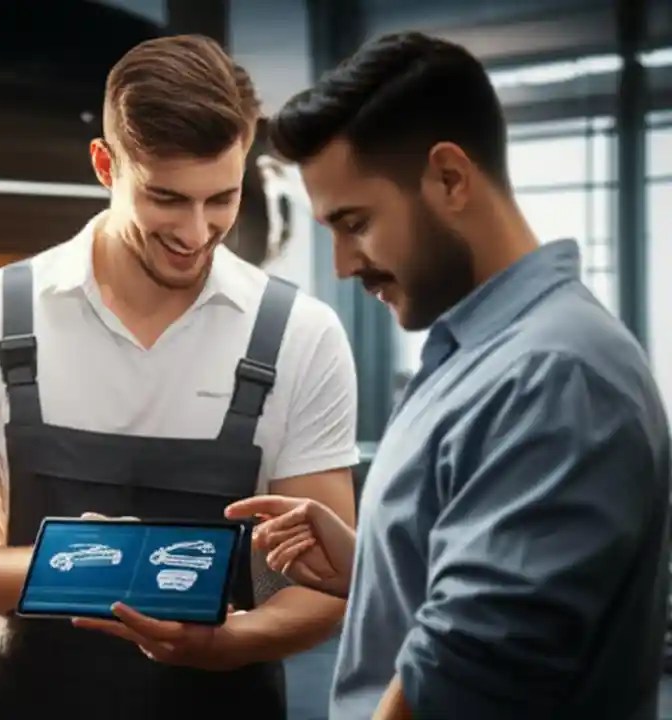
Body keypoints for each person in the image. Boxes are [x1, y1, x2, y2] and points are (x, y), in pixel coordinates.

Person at [0, 34, 361, 719]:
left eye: (220, 198)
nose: (196, 232)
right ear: (106, 165)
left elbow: (328, 582)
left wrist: (229, 642)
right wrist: (92, 564)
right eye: (166, 198)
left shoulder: (300, 337)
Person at [228, 31, 672, 720]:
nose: (344, 264)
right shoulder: (477, 351)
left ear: (450, 179)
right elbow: (473, 594)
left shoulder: (553, 375)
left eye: (356, 223)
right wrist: (371, 560)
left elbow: (463, 678)